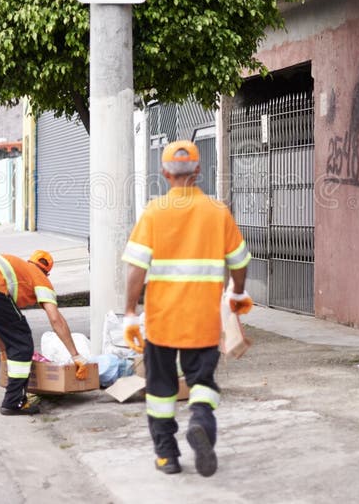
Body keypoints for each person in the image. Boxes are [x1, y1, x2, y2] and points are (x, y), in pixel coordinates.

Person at [122, 140, 253, 476]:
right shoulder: (217, 211)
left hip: (162, 321)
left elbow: (135, 267)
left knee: (161, 390)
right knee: (202, 382)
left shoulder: (153, 212)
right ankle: (200, 420)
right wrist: (237, 293)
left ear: (165, 172)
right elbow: (239, 261)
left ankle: (167, 456)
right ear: (197, 170)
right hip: (204, 320)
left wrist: (130, 312)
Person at [0, 249, 89, 415]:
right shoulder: (41, 279)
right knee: (22, 342)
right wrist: (75, 355)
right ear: (47, 272)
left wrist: (3, 351)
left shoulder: (18, 267)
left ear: (30, 261)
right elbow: (55, 319)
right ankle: (14, 403)